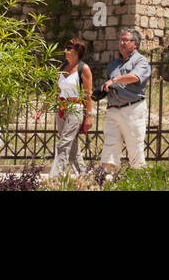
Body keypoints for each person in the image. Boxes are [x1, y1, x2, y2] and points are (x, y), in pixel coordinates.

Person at [100, 28, 151, 170]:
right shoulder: (113, 65)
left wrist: (115, 80)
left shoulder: (141, 61)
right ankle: (105, 179)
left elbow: (135, 77)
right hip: (113, 109)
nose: (121, 43)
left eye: (125, 40)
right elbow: (111, 82)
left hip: (132, 109)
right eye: (120, 40)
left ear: (135, 44)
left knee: (134, 147)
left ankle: (138, 181)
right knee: (110, 146)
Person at [49, 37, 93, 179]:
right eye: (66, 48)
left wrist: (88, 116)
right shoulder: (61, 68)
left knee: (64, 143)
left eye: (69, 48)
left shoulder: (83, 69)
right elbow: (55, 91)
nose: (66, 51)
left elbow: (88, 94)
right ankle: (83, 174)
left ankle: (54, 177)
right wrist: (44, 108)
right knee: (71, 143)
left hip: (76, 109)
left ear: (77, 51)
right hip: (61, 109)